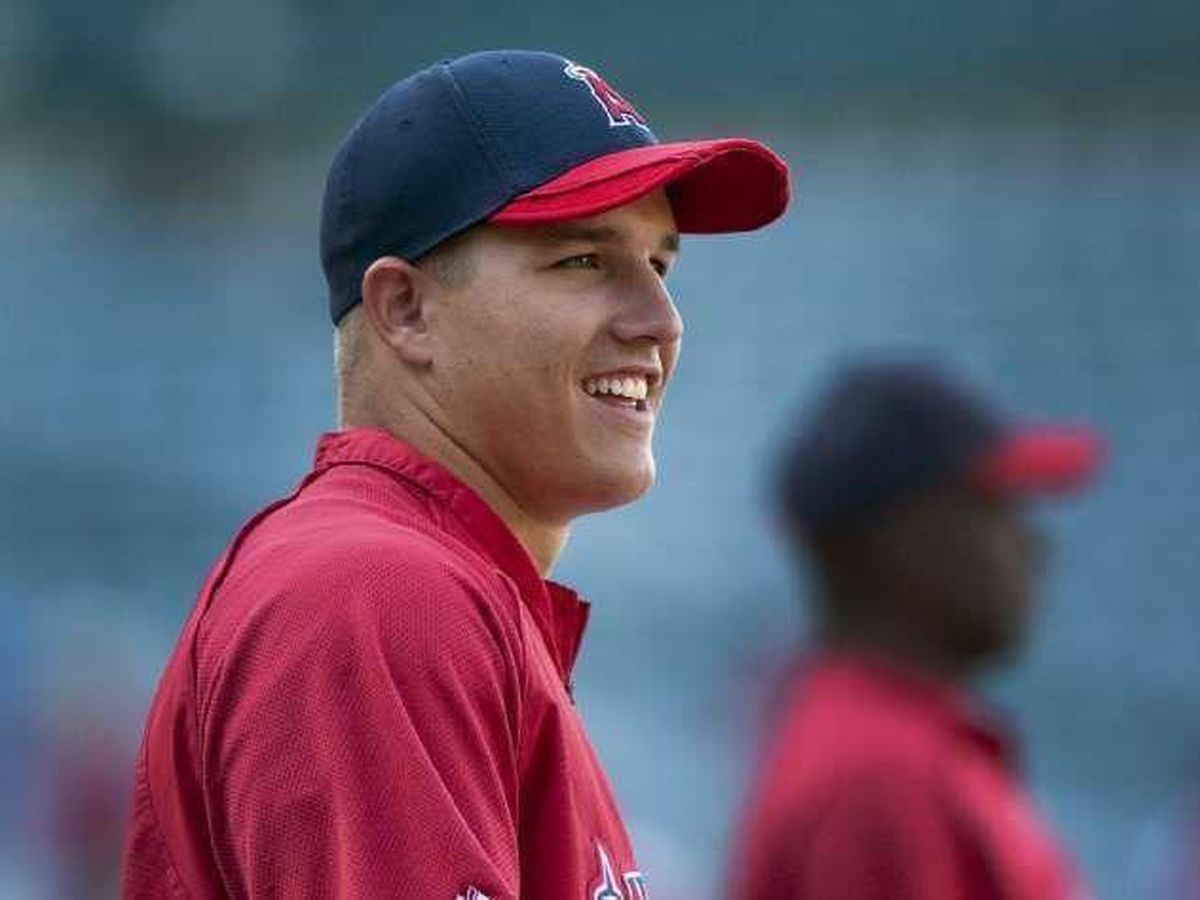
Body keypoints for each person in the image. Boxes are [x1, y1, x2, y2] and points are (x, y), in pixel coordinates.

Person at [122, 49, 789, 899]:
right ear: (406, 309)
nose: (660, 321)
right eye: (583, 259)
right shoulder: (376, 591)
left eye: (659, 266)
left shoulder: (440, 589)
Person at [728, 358, 1102, 900]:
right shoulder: (883, 780)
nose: (1034, 544)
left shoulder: (885, 744)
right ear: (901, 539)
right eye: (997, 507)